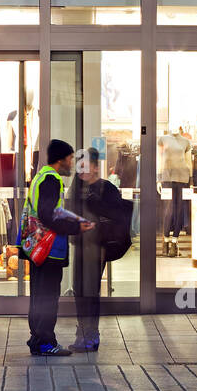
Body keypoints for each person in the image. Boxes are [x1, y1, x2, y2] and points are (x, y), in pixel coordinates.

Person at [25, 139, 93, 357]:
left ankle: (37, 341)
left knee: (38, 296)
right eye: (70, 158)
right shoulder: (52, 180)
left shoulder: (40, 176)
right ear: (61, 159)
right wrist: (75, 227)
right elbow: (48, 215)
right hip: (49, 249)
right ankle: (46, 343)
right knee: (47, 296)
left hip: (37, 247)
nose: (72, 163)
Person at [65, 147, 128, 353]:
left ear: (94, 167)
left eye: (85, 165)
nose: (81, 170)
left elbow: (116, 217)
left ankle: (91, 335)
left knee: (90, 290)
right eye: (78, 166)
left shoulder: (106, 188)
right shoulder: (77, 189)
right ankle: (82, 332)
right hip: (81, 245)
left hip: (97, 246)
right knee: (78, 288)